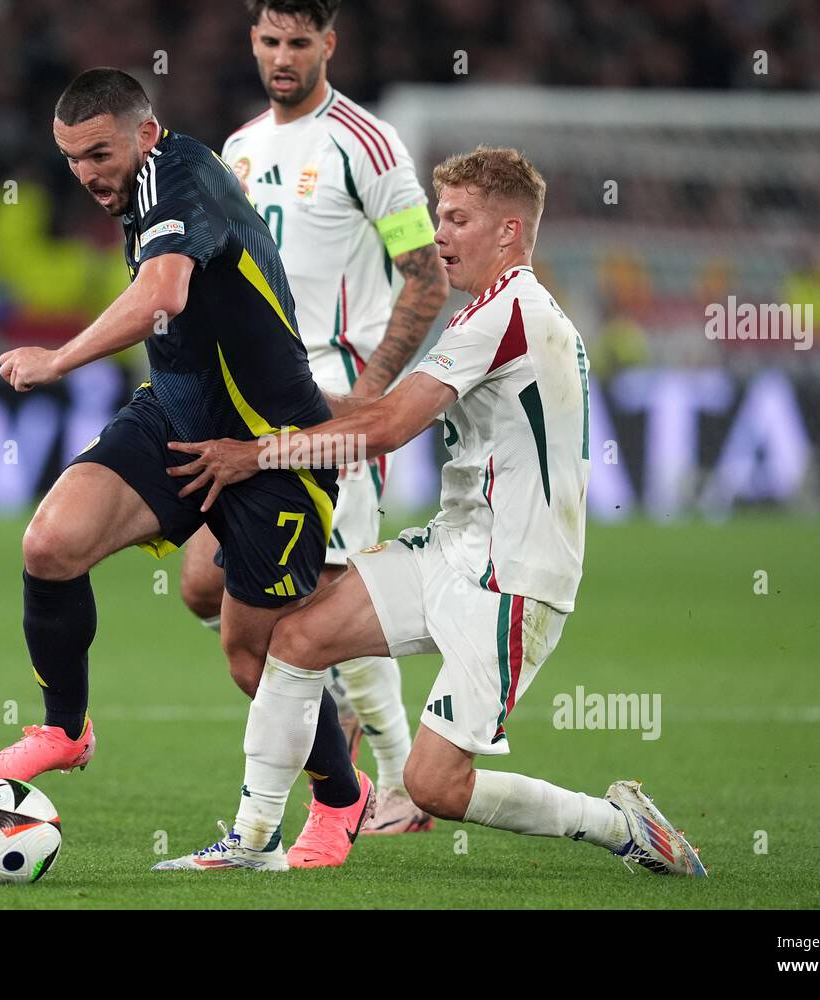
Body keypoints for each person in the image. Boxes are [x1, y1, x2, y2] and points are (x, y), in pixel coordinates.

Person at [154, 147, 706, 876]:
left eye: (457, 219)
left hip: (512, 580)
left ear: (509, 231)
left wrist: (254, 455)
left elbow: (384, 431)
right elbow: (378, 410)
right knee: (296, 638)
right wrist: (257, 414)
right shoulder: (489, 312)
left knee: (434, 785)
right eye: (439, 216)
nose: (439, 234)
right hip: (453, 549)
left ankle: (616, 823)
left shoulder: (511, 312)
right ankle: (254, 840)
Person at [0, 68, 374, 867]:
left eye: (100, 152)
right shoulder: (139, 191)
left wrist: (60, 360)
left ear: (146, 134)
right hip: (180, 422)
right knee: (50, 545)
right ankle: (65, 728)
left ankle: (340, 796)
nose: (88, 174)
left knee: (254, 656)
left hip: (274, 449)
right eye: (73, 159)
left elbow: (163, 296)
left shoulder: (182, 176)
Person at [178, 0, 448, 838]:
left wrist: (367, 400)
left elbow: (426, 275)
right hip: (253, 408)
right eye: (269, 40)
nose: (283, 56)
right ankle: (372, 765)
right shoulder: (240, 147)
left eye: (300, 41)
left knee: (326, 601)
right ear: (252, 42)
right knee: (201, 584)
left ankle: (396, 786)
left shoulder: (368, 145)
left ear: (329, 43)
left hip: (328, 406)